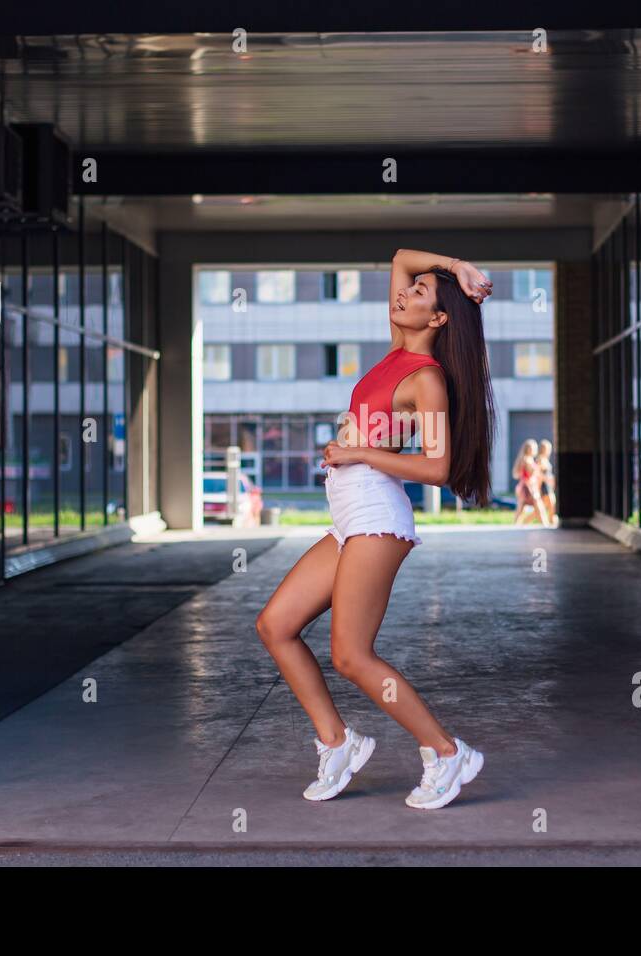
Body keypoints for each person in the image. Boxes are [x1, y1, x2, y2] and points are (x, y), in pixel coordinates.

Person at [256, 248, 495, 810]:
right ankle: (338, 743)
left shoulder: (426, 379)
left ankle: (445, 751)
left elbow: (436, 468)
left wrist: (358, 450)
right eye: (408, 290)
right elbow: (400, 258)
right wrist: (456, 267)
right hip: (348, 517)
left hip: (376, 517)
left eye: (420, 295)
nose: (404, 293)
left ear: (438, 321)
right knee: (276, 625)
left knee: (351, 654)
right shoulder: (395, 349)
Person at [512, 439, 549, 526]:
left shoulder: (525, 459)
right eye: (533, 448)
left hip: (526, 487)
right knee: (538, 507)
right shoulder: (527, 460)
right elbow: (531, 473)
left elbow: (518, 474)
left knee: (522, 508)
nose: (535, 450)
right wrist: (538, 466)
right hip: (528, 488)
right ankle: (545, 525)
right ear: (528, 449)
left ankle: (516, 525)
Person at [537, 438, 558, 528]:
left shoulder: (546, 459)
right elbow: (538, 474)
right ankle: (551, 522)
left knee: (546, 506)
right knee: (551, 503)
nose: (549, 451)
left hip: (548, 485)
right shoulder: (540, 460)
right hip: (544, 486)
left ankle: (551, 521)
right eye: (547, 449)